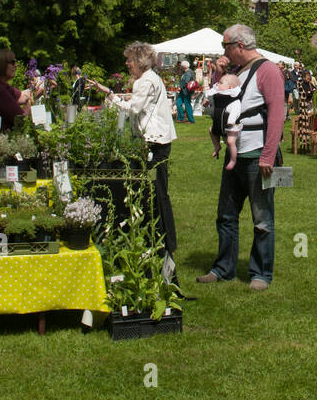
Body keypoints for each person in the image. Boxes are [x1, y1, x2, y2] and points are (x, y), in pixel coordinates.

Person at [197, 24, 285, 292]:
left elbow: (277, 114)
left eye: (225, 47)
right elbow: (218, 101)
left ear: (239, 46)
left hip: (257, 154)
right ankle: (223, 269)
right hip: (234, 155)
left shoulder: (268, 70)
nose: (223, 52)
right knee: (225, 214)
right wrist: (219, 74)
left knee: (262, 218)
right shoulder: (236, 72)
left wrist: (268, 155)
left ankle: (261, 273)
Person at [96, 43, 181, 286]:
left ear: (140, 61)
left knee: (156, 192)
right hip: (160, 138)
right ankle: (165, 236)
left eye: (130, 60)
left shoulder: (143, 81)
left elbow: (134, 108)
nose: (127, 64)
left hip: (153, 141)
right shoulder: (152, 78)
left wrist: (112, 98)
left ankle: (163, 236)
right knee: (160, 190)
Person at [207, 72, 240, 159]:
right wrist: (207, 105)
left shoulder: (233, 99)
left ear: (229, 87)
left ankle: (233, 159)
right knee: (211, 130)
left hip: (230, 126)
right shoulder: (218, 97)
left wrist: (231, 121)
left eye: (221, 83)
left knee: (230, 142)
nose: (218, 84)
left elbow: (235, 110)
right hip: (219, 126)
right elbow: (212, 110)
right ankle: (217, 146)